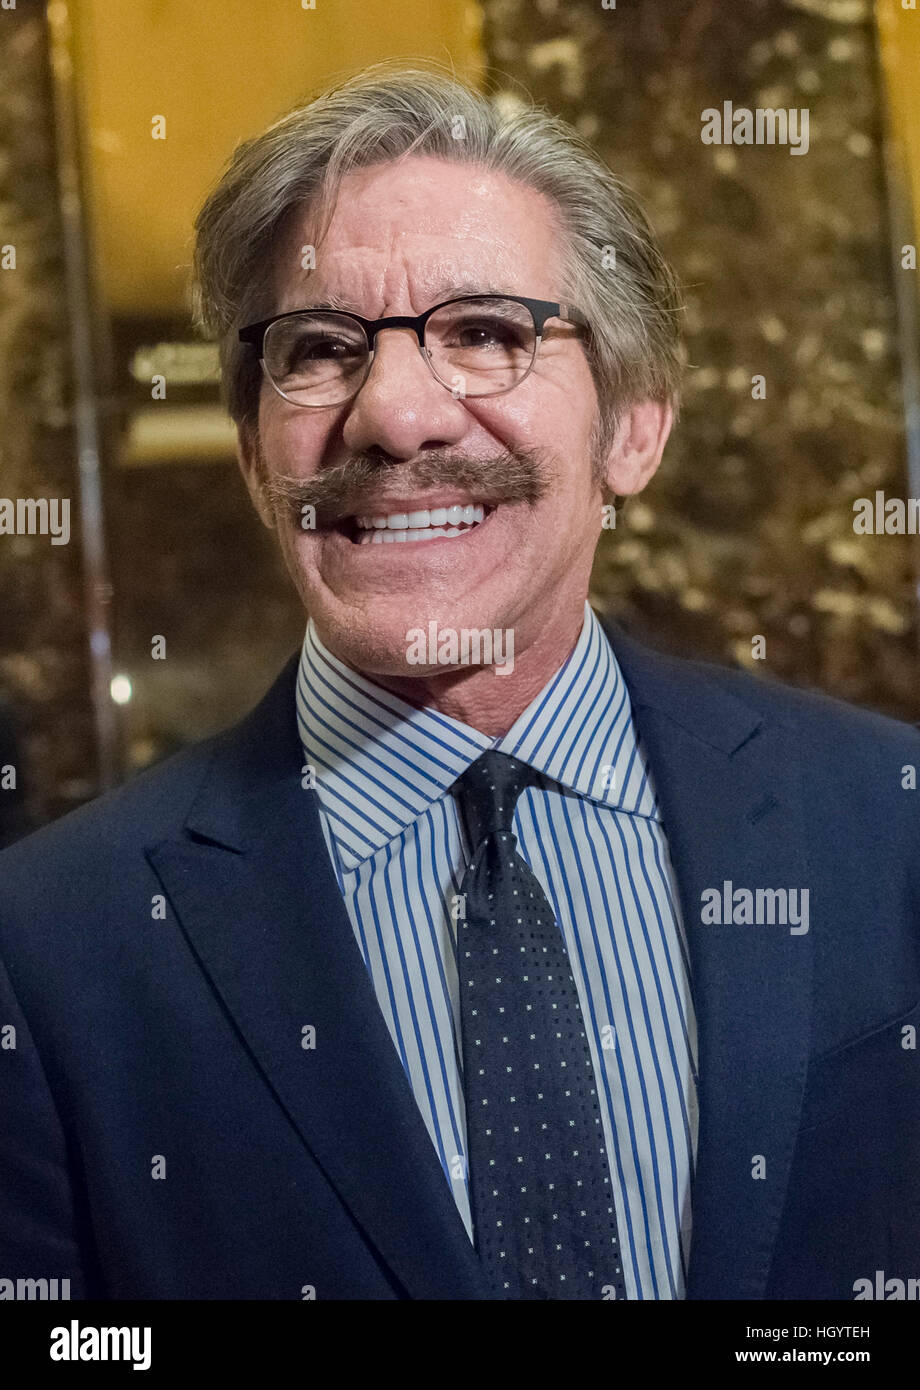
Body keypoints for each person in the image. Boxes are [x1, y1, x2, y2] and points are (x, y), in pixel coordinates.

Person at [1, 65, 917, 1302]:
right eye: (321, 350)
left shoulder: (884, 818)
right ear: (249, 451)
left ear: (634, 426)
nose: (393, 413)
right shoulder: (51, 947)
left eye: (486, 334)